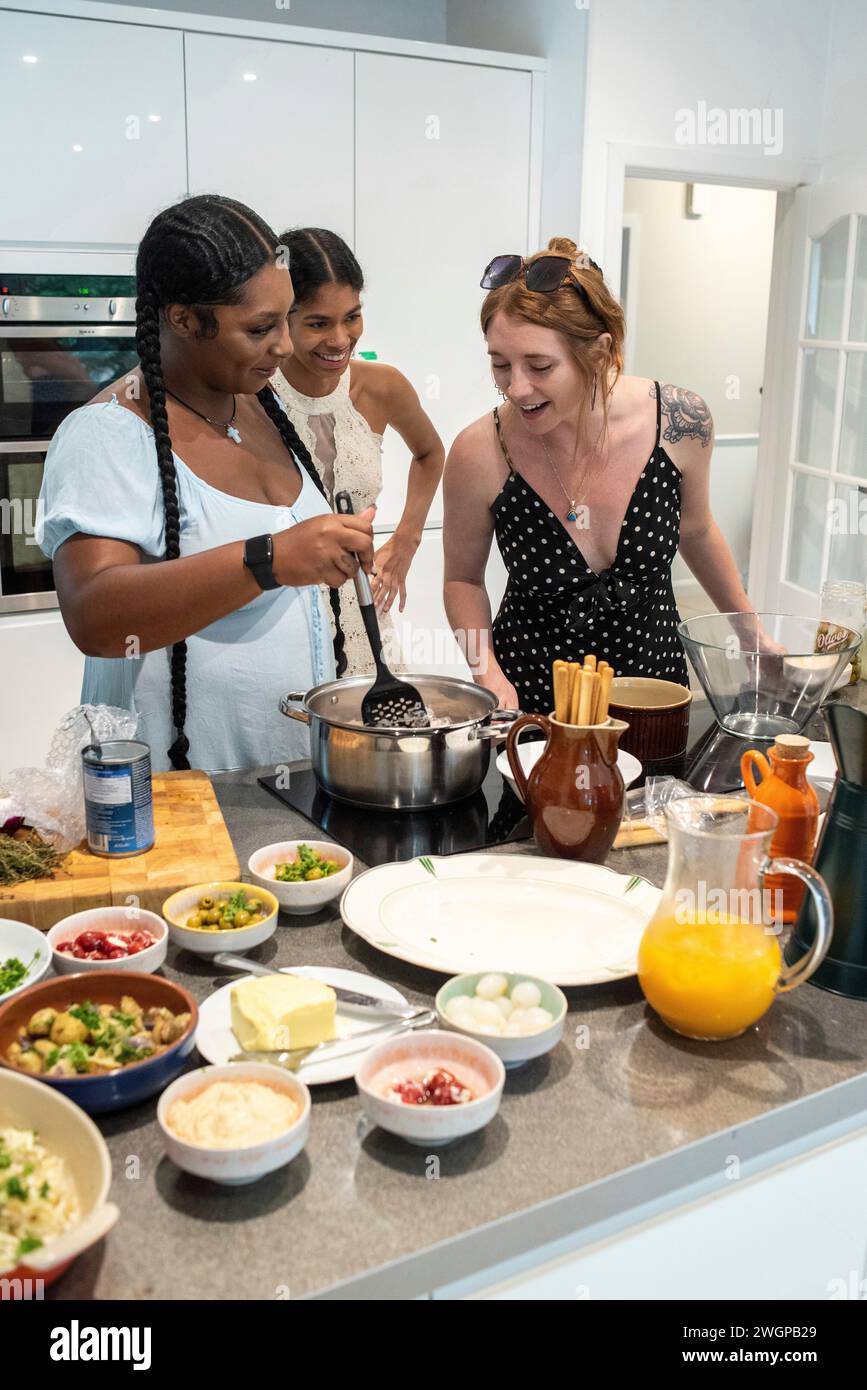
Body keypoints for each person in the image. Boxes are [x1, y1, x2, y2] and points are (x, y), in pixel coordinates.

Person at [37, 195, 374, 773]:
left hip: (286, 780)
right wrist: (269, 559)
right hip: (180, 799)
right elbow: (95, 618)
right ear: (185, 319)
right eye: (260, 328)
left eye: (285, 319)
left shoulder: (261, 408)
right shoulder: (109, 434)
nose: (285, 346)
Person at [443, 237, 759, 711]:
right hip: (531, 698)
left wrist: (753, 636)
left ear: (598, 351)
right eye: (500, 364)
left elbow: (696, 530)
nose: (516, 387)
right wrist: (484, 670)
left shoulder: (679, 424)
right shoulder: (480, 452)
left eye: (540, 366)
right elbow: (462, 581)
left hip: (656, 691)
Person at [271, 228, 444, 674]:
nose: (340, 339)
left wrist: (406, 540)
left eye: (352, 316)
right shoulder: (252, 397)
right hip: (277, 615)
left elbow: (430, 453)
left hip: (364, 611)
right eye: (317, 323)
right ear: (280, 318)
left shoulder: (381, 386)